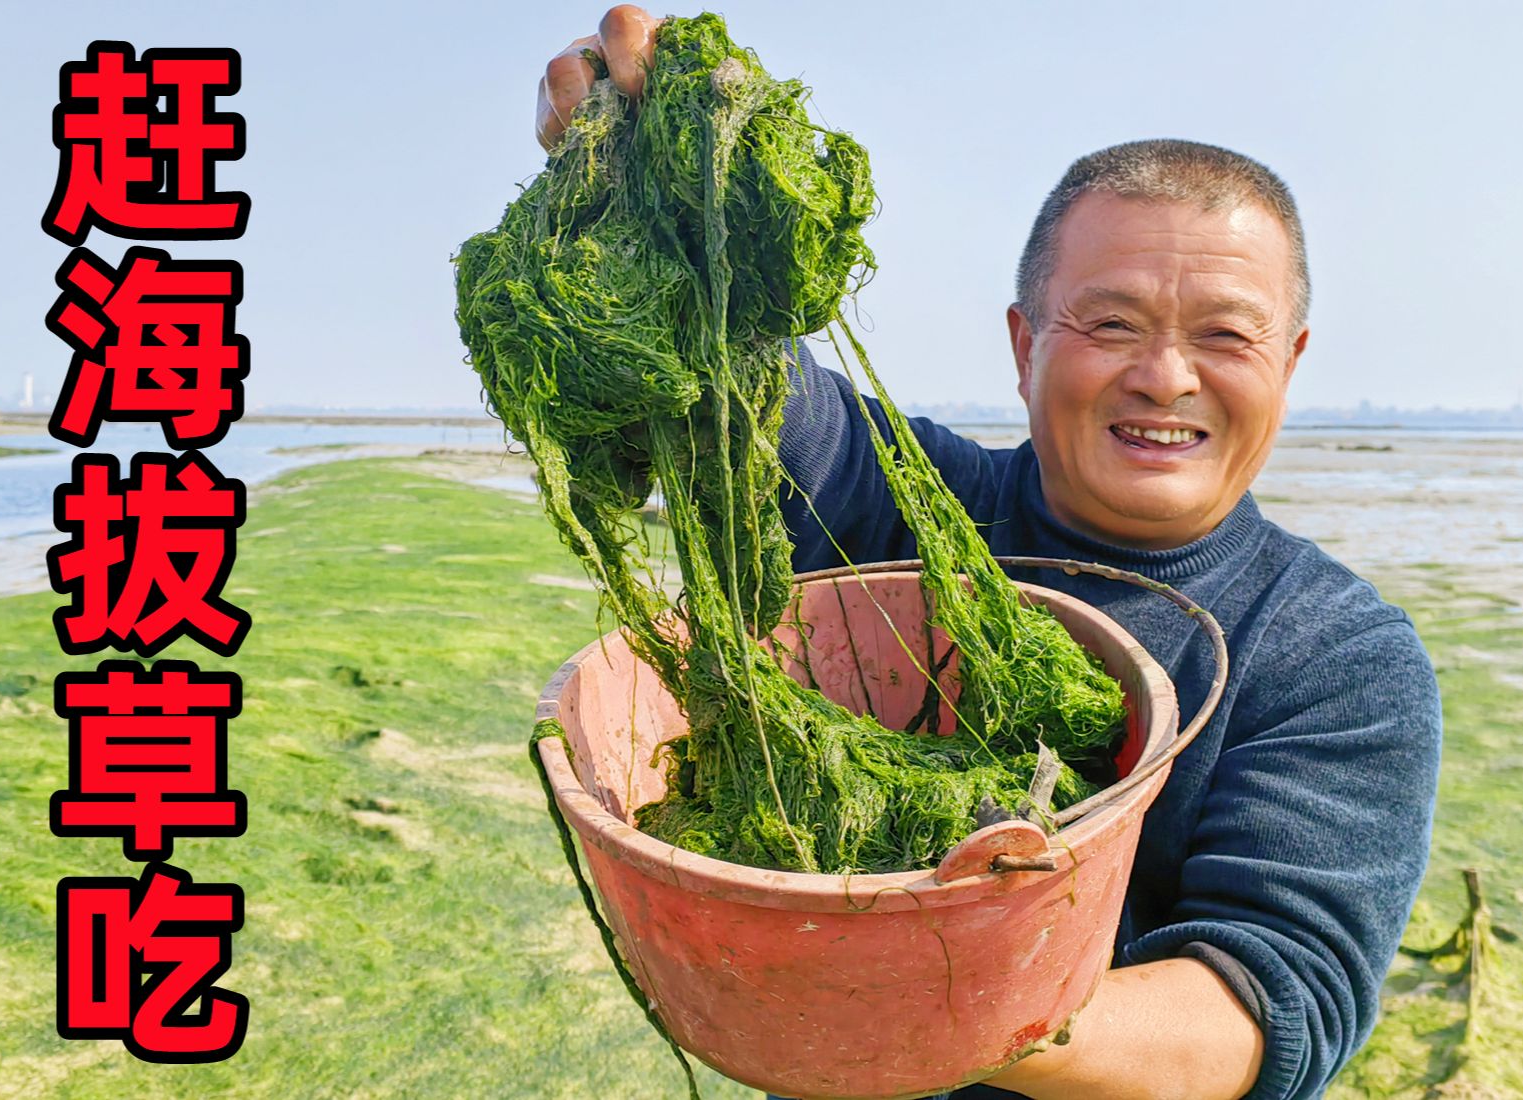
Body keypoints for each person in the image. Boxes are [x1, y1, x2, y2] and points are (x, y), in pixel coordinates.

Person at [532, 9, 1443, 1099]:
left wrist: (959, 973)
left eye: (1221, 334)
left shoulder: (1331, 654)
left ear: (1287, 363)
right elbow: (741, 383)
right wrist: (650, 168)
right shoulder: (893, 506)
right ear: (1023, 345)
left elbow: (1266, 1005)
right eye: (1107, 323)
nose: (1163, 375)